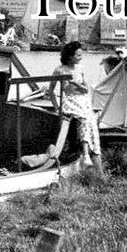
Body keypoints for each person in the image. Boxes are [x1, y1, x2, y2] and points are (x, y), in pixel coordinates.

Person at [46, 40, 104, 176]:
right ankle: (86, 155)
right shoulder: (60, 69)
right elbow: (51, 90)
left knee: (89, 119)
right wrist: (56, 108)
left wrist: (76, 83)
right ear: (69, 56)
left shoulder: (80, 68)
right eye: (78, 55)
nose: (81, 58)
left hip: (82, 100)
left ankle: (87, 154)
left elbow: (86, 90)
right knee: (84, 117)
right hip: (69, 100)